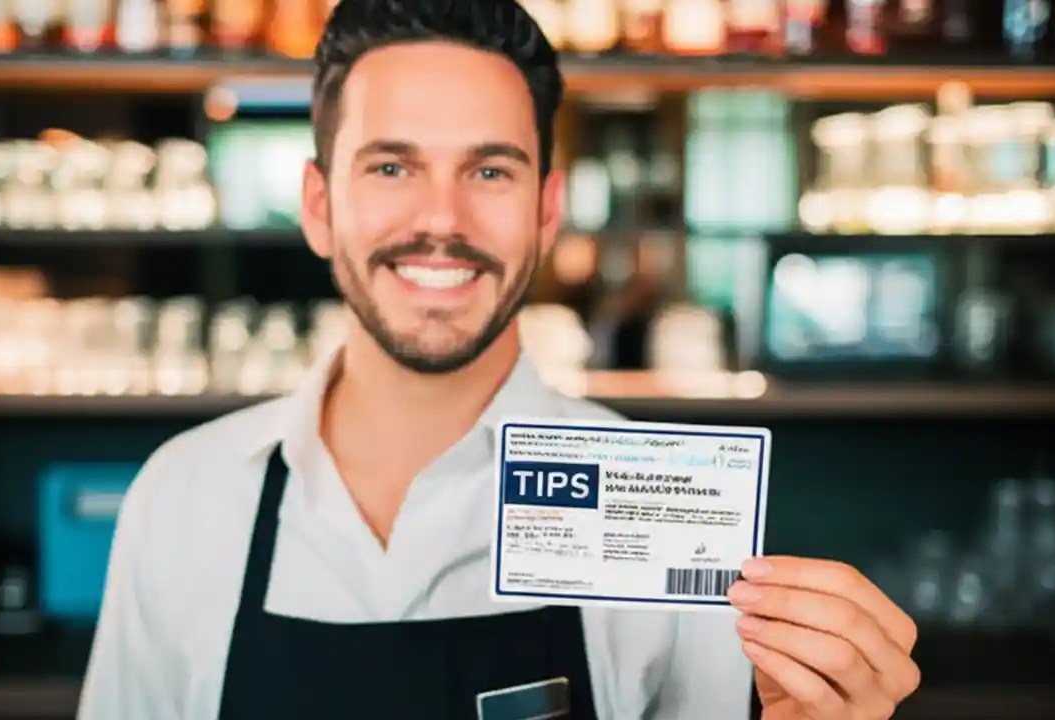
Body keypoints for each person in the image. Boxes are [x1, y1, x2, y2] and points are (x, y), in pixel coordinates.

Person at [77, 1, 922, 717]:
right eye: (392, 165)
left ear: (547, 211)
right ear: (320, 205)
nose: (441, 219)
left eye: (489, 169)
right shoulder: (184, 498)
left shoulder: (664, 517)